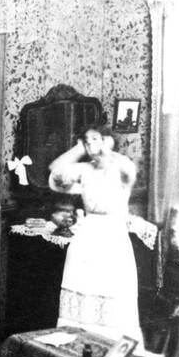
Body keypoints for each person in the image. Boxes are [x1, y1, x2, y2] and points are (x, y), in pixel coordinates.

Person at [48, 124, 142, 341]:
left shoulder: (121, 166)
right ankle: (75, 344)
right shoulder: (84, 169)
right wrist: (79, 149)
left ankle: (112, 351)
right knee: (81, 289)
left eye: (95, 139)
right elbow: (55, 172)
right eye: (86, 140)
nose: (91, 144)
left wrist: (106, 149)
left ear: (108, 141)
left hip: (113, 237)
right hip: (86, 236)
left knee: (111, 292)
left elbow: (127, 173)